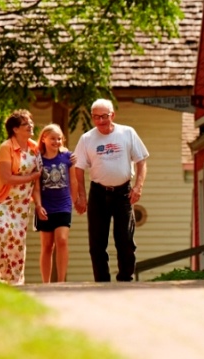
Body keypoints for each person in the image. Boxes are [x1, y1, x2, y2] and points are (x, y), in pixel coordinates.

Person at [73, 98, 149, 282]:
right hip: (98, 193)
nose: (100, 121)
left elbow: (141, 161)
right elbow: (78, 168)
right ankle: (102, 282)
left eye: (104, 116)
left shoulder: (127, 133)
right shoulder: (87, 139)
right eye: (96, 117)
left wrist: (138, 187)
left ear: (112, 115)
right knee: (97, 243)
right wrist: (81, 196)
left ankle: (125, 279)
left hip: (123, 193)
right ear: (92, 117)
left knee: (125, 240)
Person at [0, 110, 42, 285]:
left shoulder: (35, 148)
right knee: (1, 232)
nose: (30, 125)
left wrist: (38, 204)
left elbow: (39, 177)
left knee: (16, 242)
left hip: (21, 204)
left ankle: (14, 281)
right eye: (25, 124)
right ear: (15, 129)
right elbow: (7, 177)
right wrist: (31, 177)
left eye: (30, 122)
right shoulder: (5, 148)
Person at [33, 124, 77, 283]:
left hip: (63, 205)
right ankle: (46, 283)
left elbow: (73, 181)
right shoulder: (38, 160)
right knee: (47, 245)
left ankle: (61, 281)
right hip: (45, 206)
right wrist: (38, 206)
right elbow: (36, 187)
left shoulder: (68, 157)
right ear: (44, 139)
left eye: (59, 139)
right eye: (53, 138)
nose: (56, 141)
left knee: (62, 240)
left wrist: (75, 201)